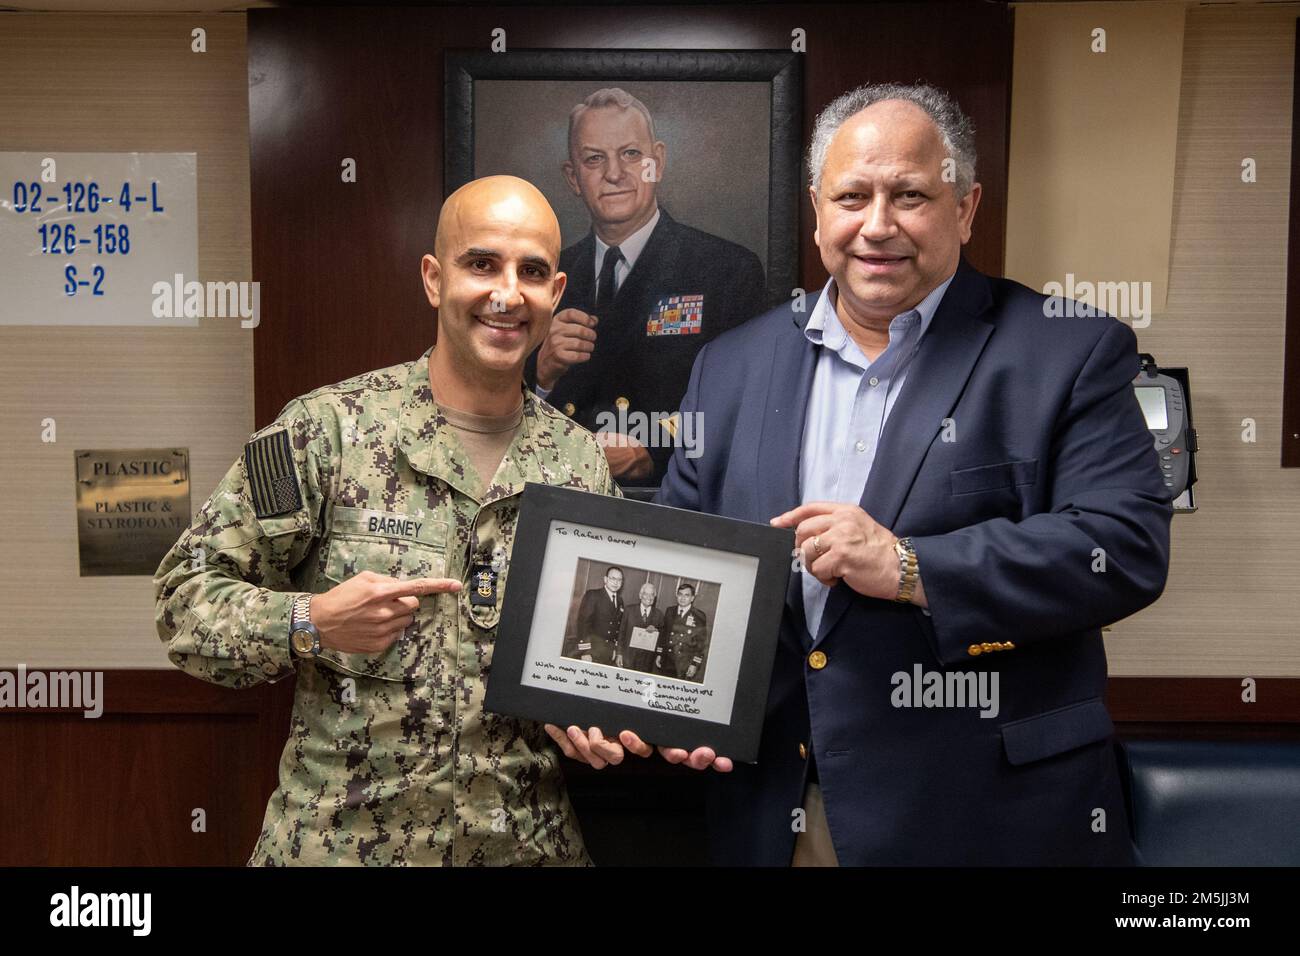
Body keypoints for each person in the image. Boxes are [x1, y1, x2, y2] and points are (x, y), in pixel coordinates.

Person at [655, 83, 1173, 865]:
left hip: (991, 817)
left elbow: (1124, 546)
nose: (877, 225)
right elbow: (682, 564)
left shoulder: (1069, 350)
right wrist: (667, 707)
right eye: (852, 196)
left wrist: (906, 567)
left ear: (964, 208)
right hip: (785, 810)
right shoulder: (729, 367)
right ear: (817, 209)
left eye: (910, 195)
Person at [153, 175, 645, 866]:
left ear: (556, 294)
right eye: (482, 264)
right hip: (344, 847)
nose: (507, 293)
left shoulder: (578, 461)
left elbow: (599, 645)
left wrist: (598, 711)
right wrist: (309, 623)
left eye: (531, 271)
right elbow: (185, 603)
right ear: (434, 279)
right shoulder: (327, 430)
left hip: (522, 847)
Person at [526, 87, 768, 485]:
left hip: (670, 502)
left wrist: (654, 451)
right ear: (573, 177)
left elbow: (748, 407)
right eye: (594, 158)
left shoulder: (726, 269)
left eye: (631, 154)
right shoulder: (548, 275)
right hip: (563, 498)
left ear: (658, 161)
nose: (615, 173)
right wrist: (543, 375)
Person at [564, 566, 626, 664]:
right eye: (613, 578)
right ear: (605, 579)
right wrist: (585, 651)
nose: (616, 582)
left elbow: (616, 628)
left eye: (619, 580)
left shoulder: (620, 600)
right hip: (592, 651)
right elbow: (583, 624)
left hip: (609, 653)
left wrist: (615, 649)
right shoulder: (593, 595)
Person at [657, 583, 710, 682]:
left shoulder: (699, 616)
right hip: (667, 661)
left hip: (684, 664)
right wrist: (659, 654)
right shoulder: (670, 611)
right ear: (677, 595)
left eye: (687, 595)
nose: (682, 598)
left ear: (692, 598)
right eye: (680, 594)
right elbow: (663, 635)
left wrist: (694, 664)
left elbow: (701, 644)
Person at [618, 581, 665, 672]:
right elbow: (621, 633)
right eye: (645, 594)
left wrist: (656, 631)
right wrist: (619, 654)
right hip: (628, 657)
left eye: (652, 595)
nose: (649, 597)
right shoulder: (629, 610)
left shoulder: (659, 614)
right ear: (640, 595)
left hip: (647, 660)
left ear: (654, 597)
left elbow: (662, 638)